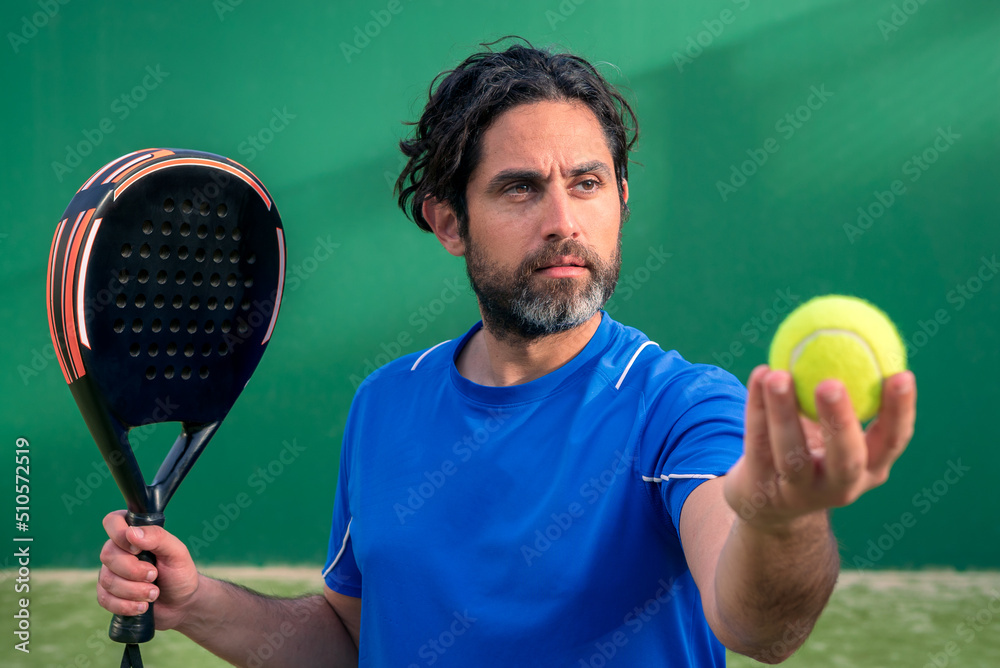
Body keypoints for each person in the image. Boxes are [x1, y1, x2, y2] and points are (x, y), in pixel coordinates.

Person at [97, 38, 917, 667]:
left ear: (621, 202)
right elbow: (353, 638)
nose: (563, 219)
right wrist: (197, 601)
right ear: (449, 222)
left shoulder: (682, 408)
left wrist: (779, 522)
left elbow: (757, 625)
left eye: (588, 184)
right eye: (521, 188)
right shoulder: (386, 401)